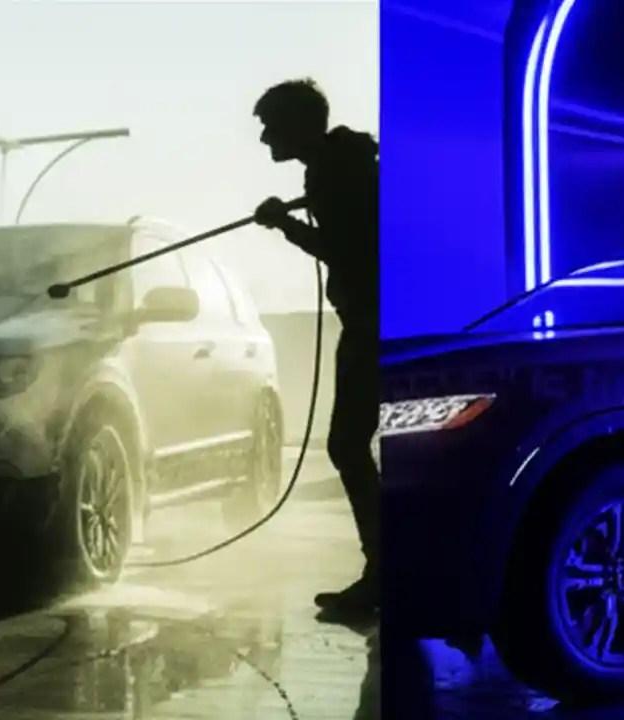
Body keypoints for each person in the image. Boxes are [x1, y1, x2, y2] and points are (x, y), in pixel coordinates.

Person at [252, 78, 380, 622]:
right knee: (353, 444)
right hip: (372, 319)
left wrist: (284, 226)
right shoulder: (336, 165)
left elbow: (348, 251)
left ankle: (385, 571)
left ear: (299, 125)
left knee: (348, 444)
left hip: (375, 323)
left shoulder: (334, 170)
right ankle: (388, 568)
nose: (263, 140)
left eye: (270, 127)